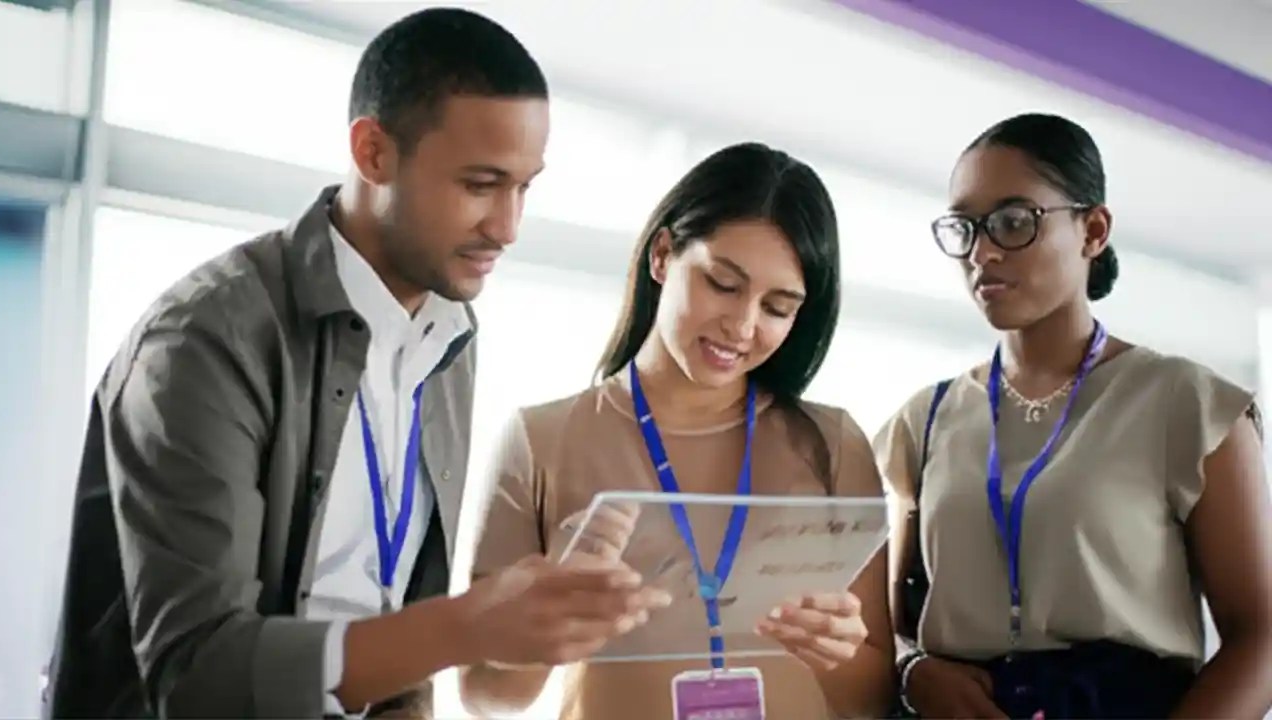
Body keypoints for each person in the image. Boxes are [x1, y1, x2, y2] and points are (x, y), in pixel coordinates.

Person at [45, 9, 663, 719]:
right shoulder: (203, 340)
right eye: (480, 184)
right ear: (374, 153)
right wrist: (468, 625)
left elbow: (397, 613)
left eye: (524, 186)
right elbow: (197, 677)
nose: (507, 227)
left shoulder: (447, 333)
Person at [459, 142, 897, 720]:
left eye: (778, 307)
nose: (742, 326)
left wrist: (833, 653)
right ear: (662, 255)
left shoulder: (833, 444)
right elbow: (484, 695)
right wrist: (554, 620)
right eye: (723, 282)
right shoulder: (541, 439)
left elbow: (874, 702)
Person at [876, 113, 1272, 719]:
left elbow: (1261, 639)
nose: (982, 252)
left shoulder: (1187, 403)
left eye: (1014, 222)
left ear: (1093, 230)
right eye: (966, 227)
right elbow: (886, 624)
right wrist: (911, 670)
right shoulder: (923, 420)